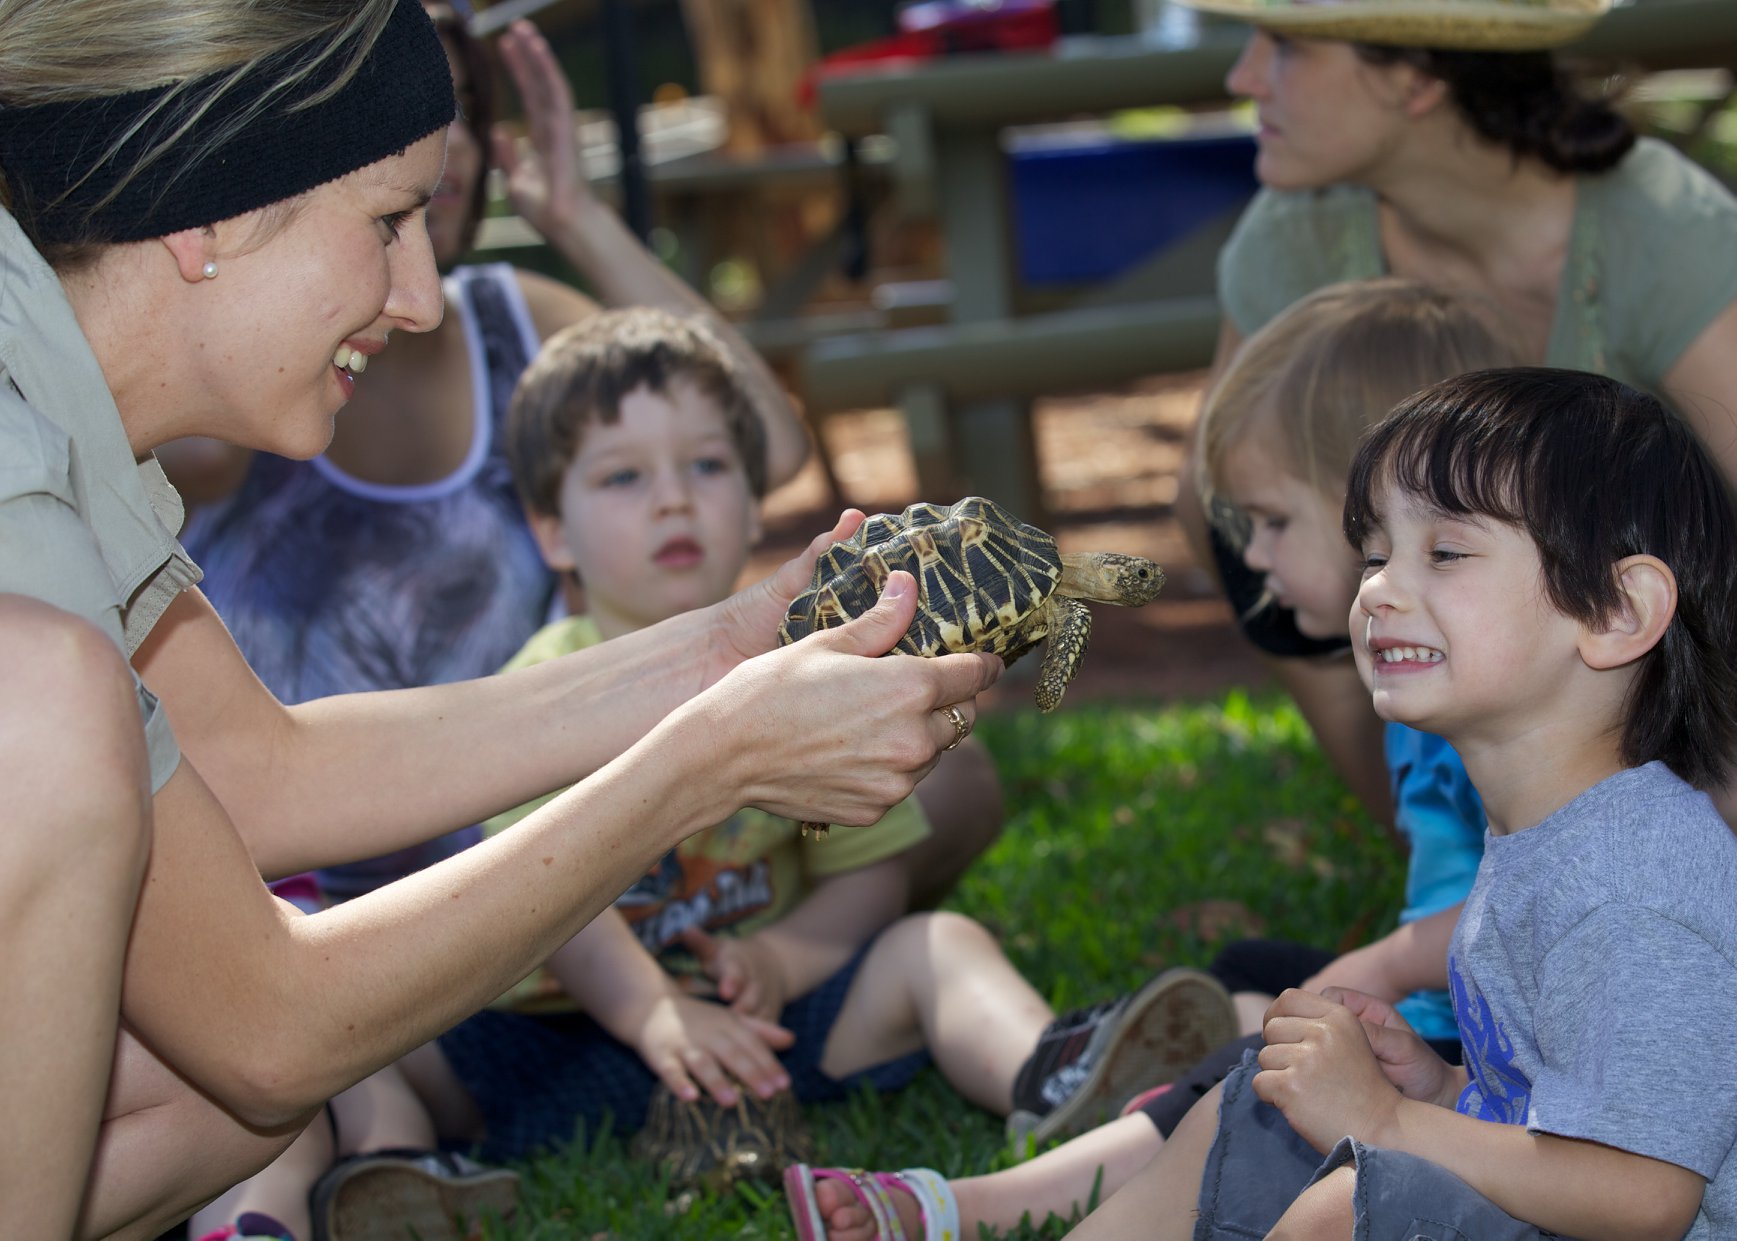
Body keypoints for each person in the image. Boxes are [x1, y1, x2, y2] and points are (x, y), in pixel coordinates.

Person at [0, 2, 1000, 1236]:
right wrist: (709, 761)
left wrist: (729, 643)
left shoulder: (61, 398)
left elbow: (260, 769)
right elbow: (269, 1021)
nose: (422, 297)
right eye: (388, 221)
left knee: (202, 1092)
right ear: (211, 211)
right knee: (50, 711)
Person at [395, 305, 1239, 1166]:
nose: (675, 497)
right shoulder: (546, 690)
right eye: (622, 477)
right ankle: (386, 1166)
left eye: (708, 464)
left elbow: (871, 875)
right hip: (560, 1035)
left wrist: (781, 957)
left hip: (772, 1031)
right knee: (376, 1040)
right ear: (550, 530)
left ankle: (1064, 1079)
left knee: (934, 947)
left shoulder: (809, 659)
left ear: (753, 497)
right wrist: (653, 1010)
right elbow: (544, 898)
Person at [784, 278, 1511, 1240]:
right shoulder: (1426, 694)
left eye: (1273, 521)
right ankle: (1132, 1092)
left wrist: (1379, 961)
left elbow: (1531, 896)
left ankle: (975, 1205)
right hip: (1443, 1010)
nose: (1247, 555)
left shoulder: (1490, 709)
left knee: (1253, 1072)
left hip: (1476, 1040)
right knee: (1250, 977)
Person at [1068, 366, 1737, 1240]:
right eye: (1376, 555)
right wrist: (1437, 1088)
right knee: (1251, 1112)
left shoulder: (1633, 884)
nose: (1377, 589)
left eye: (1445, 552)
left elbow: (1642, 1192)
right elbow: (1553, 1116)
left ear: (1616, 609)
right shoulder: (1550, 833)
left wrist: (1388, 1122)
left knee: (1349, 1207)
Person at [1168, 0, 1737, 826]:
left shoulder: (1659, 229)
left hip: (1658, 642)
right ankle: (1437, 853)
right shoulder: (1296, 236)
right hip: (1454, 643)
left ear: (1416, 75)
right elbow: (1210, 497)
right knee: (1245, 530)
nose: (1242, 76)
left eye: (1285, 45)